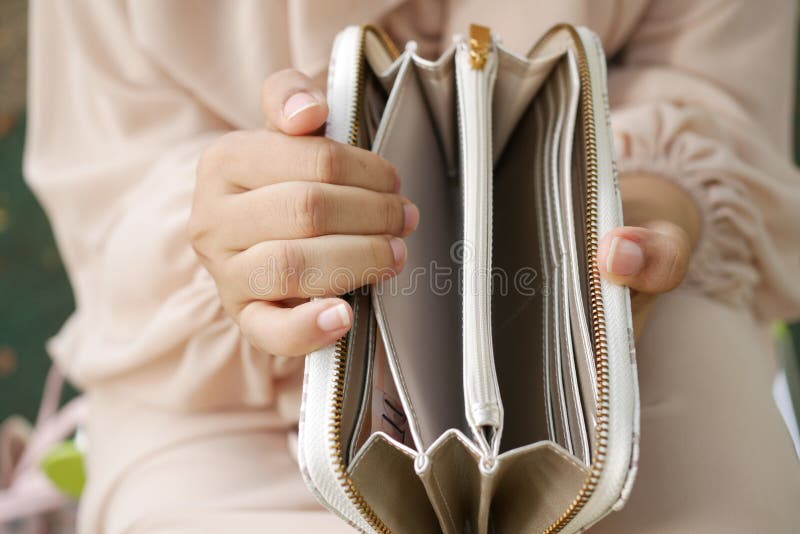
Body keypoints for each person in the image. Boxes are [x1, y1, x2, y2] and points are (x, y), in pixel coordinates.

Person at [24, 0, 800, 532]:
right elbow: (108, 180)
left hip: (617, 336)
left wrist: (643, 200)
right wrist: (234, 237)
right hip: (218, 372)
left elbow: (713, 80)